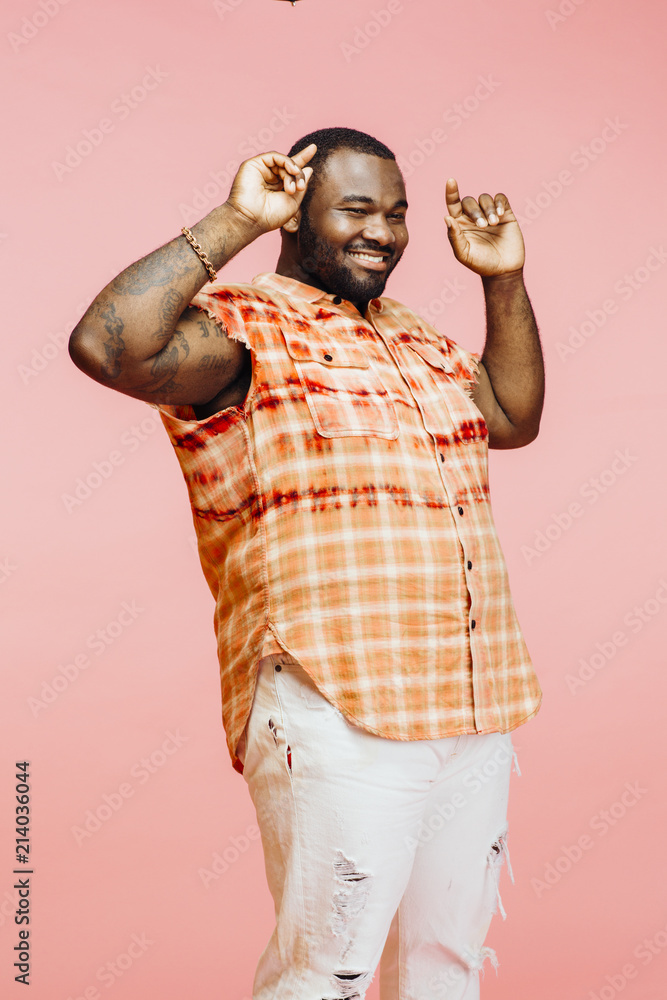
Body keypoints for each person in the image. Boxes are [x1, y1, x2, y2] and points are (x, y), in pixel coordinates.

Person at [69, 126, 544, 1000]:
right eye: (355, 209)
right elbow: (110, 346)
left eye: (395, 213)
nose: (383, 232)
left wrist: (501, 278)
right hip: (336, 701)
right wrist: (236, 219)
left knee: (444, 967)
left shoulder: (418, 339)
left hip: (473, 703)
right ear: (294, 213)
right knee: (326, 975)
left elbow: (511, 418)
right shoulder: (245, 330)